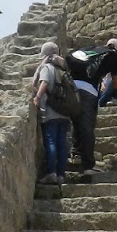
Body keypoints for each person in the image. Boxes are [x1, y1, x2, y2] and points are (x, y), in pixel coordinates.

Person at [65, 39, 117, 172]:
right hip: (87, 91)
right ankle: (88, 165)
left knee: (76, 122)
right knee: (87, 127)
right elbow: (115, 83)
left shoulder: (92, 49)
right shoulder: (113, 58)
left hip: (68, 87)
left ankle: (76, 153)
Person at [32, 41, 71, 184]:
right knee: (61, 143)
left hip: (51, 111)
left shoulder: (48, 67)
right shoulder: (64, 68)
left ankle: (51, 172)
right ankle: (61, 174)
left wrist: (37, 97)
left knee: (51, 141)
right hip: (65, 111)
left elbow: (45, 82)